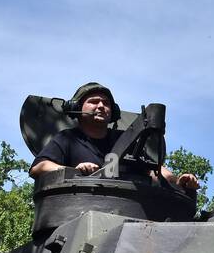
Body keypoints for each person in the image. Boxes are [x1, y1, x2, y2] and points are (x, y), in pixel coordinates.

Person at [29, 82, 199, 191]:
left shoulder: (124, 140)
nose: (101, 106)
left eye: (106, 103)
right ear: (77, 108)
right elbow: (38, 167)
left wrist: (180, 180)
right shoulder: (68, 139)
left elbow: (153, 170)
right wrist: (74, 171)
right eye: (94, 102)